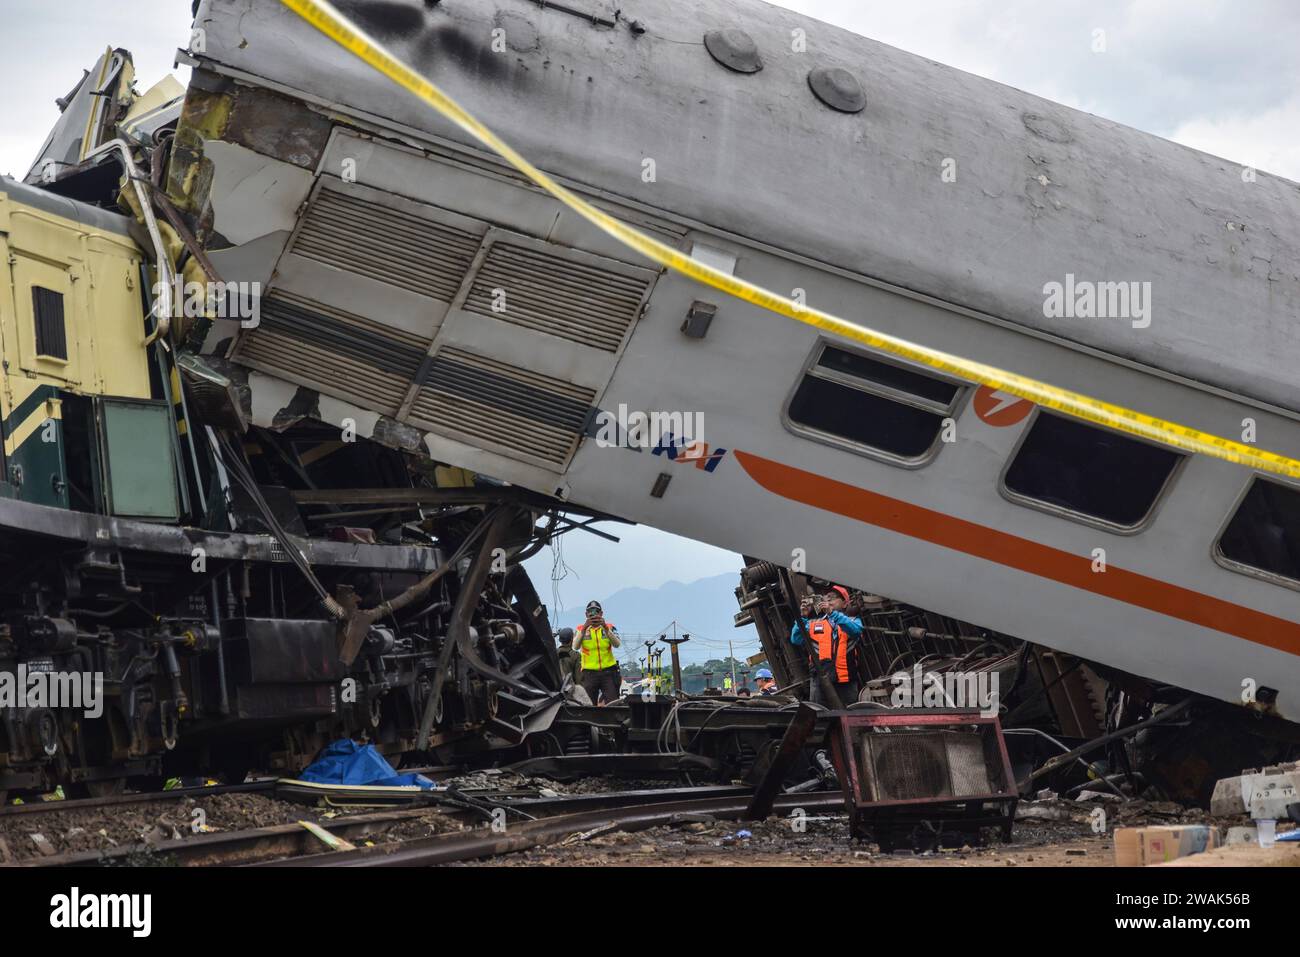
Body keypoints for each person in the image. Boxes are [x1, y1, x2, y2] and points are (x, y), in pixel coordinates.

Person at [790, 586, 863, 707]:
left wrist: (832, 613)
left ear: (845, 603)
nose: (828, 601)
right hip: (820, 681)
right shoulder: (813, 624)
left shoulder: (853, 620)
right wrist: (802, 617)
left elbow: (856, 631)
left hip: (846, 680)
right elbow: (796, 639)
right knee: (821, 717)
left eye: (832, 598)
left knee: (850, 715)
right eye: (826, 598)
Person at [572, 600, 622, 705]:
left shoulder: (610, 627)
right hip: (589, 673)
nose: (593, 614)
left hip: (608, 672)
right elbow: (575, 647)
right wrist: (584, 629)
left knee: (613, 703)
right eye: (590, 612)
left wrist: (606, 628)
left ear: (601, 613)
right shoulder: (580, 628)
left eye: (596, 612)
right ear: (586, 614)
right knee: (588, 705)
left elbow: (617, 644)